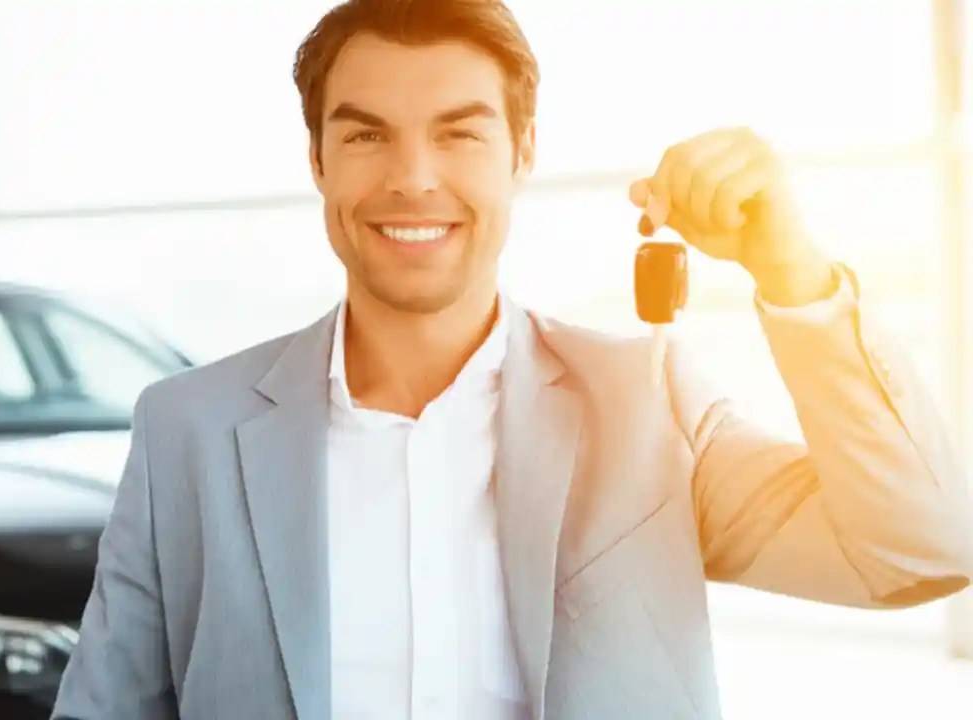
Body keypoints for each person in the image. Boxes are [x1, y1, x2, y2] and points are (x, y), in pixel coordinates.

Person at [51, 1, 973, 718]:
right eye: (367, 133)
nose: (412, 177)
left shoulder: (646, 402)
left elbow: (920, 551)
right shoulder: (189, 433)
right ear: (319, 159)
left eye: (459, 132)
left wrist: (793, 269)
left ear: (521, 151)